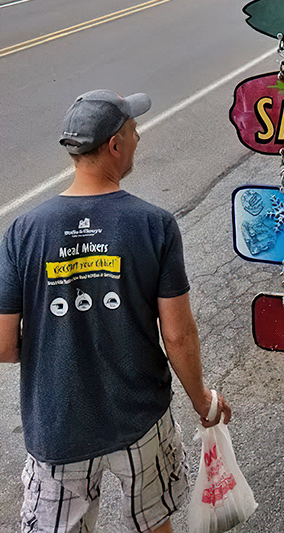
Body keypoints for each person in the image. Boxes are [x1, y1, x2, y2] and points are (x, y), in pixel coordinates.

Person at [0, 89, 231, 532]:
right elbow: (178, 335)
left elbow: (5, 345)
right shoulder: (153, 224)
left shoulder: (23, 231)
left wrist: (60, 334)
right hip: (139, 417)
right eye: (133, 129)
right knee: (153, 525)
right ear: (114, 145)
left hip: (57, 426)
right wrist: (202, 400)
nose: (139, 136)